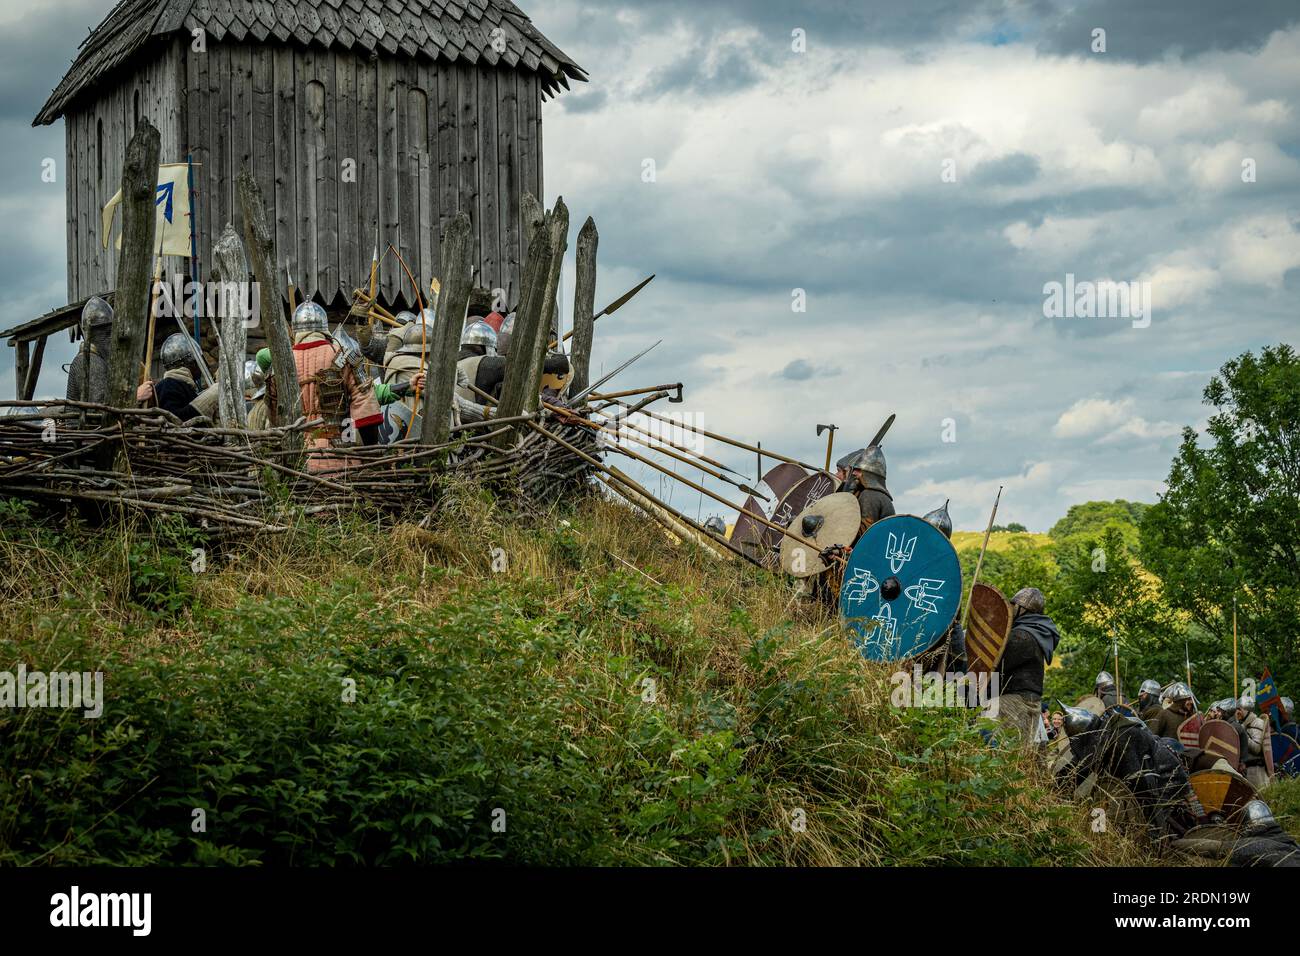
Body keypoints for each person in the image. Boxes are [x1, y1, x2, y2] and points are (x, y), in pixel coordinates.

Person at [289, 302, 382, 471]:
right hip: (340, 457)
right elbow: (367, 413)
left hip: (294, 460)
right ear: (324, 327)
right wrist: (372, 456)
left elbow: (273, 418)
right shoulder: (345, 356)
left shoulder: (281, 364)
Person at [995, 586, 1061, 748]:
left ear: (1021, 608)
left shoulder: (1022, 635)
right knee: (1022, 754)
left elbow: (996, 667)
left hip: (1012, 701)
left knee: (1005, 752)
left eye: (1013, 605)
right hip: (1028, 701)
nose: (1010, 609)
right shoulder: (1037, 633)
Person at [65, 296, 114, 405]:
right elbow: (100, 406)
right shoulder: (91, 361)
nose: (109, 337)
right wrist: (136, 396)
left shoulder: (94, 359)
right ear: (95, 332)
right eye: (106, 332)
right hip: (88, 422)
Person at [840, 445, 895, 528]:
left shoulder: (869, 495)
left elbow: (865, 532)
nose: (854, 473)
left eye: (858, 470)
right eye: (853, 470)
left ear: (869, 474)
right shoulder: (879, 495)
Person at [1237, 695, 1270, 789]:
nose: (1237, 712)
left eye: (1239, 709)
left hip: (1256, 772)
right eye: (1237, 709)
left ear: (1247, 710)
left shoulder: (1257, 723)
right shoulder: (1242, 725)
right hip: (1246, 770)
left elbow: (1256, 748)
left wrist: (1243, 735)